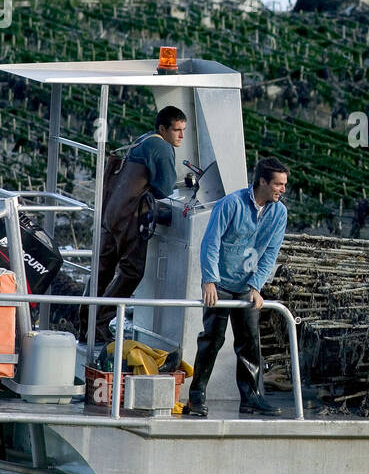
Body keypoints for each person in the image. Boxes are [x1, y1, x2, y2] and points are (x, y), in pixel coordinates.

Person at [187, 156, 289, 417]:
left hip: (247, 285)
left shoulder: (279, 213)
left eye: (284, 185)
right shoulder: (231, 204)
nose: (282, 190)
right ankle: (197, 396)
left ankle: (251, 398)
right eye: (278, 184)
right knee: (212, 339)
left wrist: (256, 286)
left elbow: (270, 253)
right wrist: (209, 280)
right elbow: (211, 242)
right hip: (219, 281)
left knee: (248, 342)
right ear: (262, 181)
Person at [89, 106, 186, 343]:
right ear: (163, 129)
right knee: (132, 271)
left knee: (103, 268)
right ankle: (101, 322)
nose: (181, 136)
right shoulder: (162, 147)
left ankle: (86, 323)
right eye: (177, 130)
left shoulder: (145, 139)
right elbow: (164, 189)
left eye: (183, 130)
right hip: (129, 217)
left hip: (112, 212)